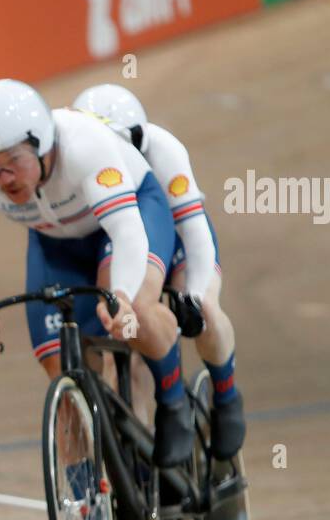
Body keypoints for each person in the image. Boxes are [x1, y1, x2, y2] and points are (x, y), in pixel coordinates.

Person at [0, 78, 194, 466]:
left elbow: (127, 233)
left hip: (123, 221)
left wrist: (124, 295)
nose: (2, 179)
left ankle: (173, 400)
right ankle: (85, 508)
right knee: (63, 378)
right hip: (56, 244)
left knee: (134, 313)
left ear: (44, 145)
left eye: (13, 163)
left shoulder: (84, 145)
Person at [73, 84, 245, 458]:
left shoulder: (164, 150)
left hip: (178, 239)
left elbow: (195, 232)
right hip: (120, 242)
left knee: (208, 314)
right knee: (130, 339)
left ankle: (227, 395)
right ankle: (140, 450)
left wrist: (195, 298)